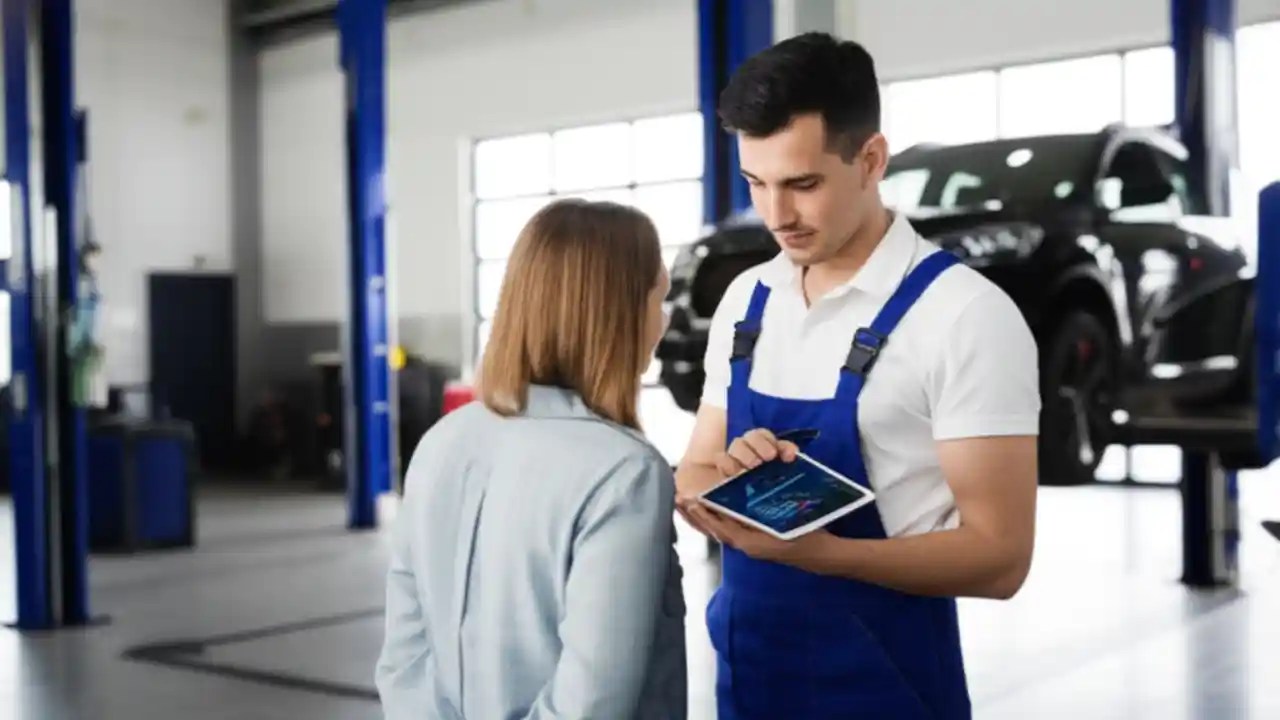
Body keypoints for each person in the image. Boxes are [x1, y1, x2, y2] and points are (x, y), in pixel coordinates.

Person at [675, 33, 1041, 719]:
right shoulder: (748, 301)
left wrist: (827, 555)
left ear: (871, 159)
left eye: (802, 184)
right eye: (757, 183)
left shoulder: (964, 317)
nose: (776, 215)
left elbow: (1001, 558)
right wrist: (731, 487)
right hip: (751, 680)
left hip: (889, 690)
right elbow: (692, 474)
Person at [375, 199, 687, 719]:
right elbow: (593, 702)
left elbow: (405, 655)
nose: (664, 320)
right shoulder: (626, 472)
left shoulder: (444, 441)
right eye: (660, 298)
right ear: (620, 313)